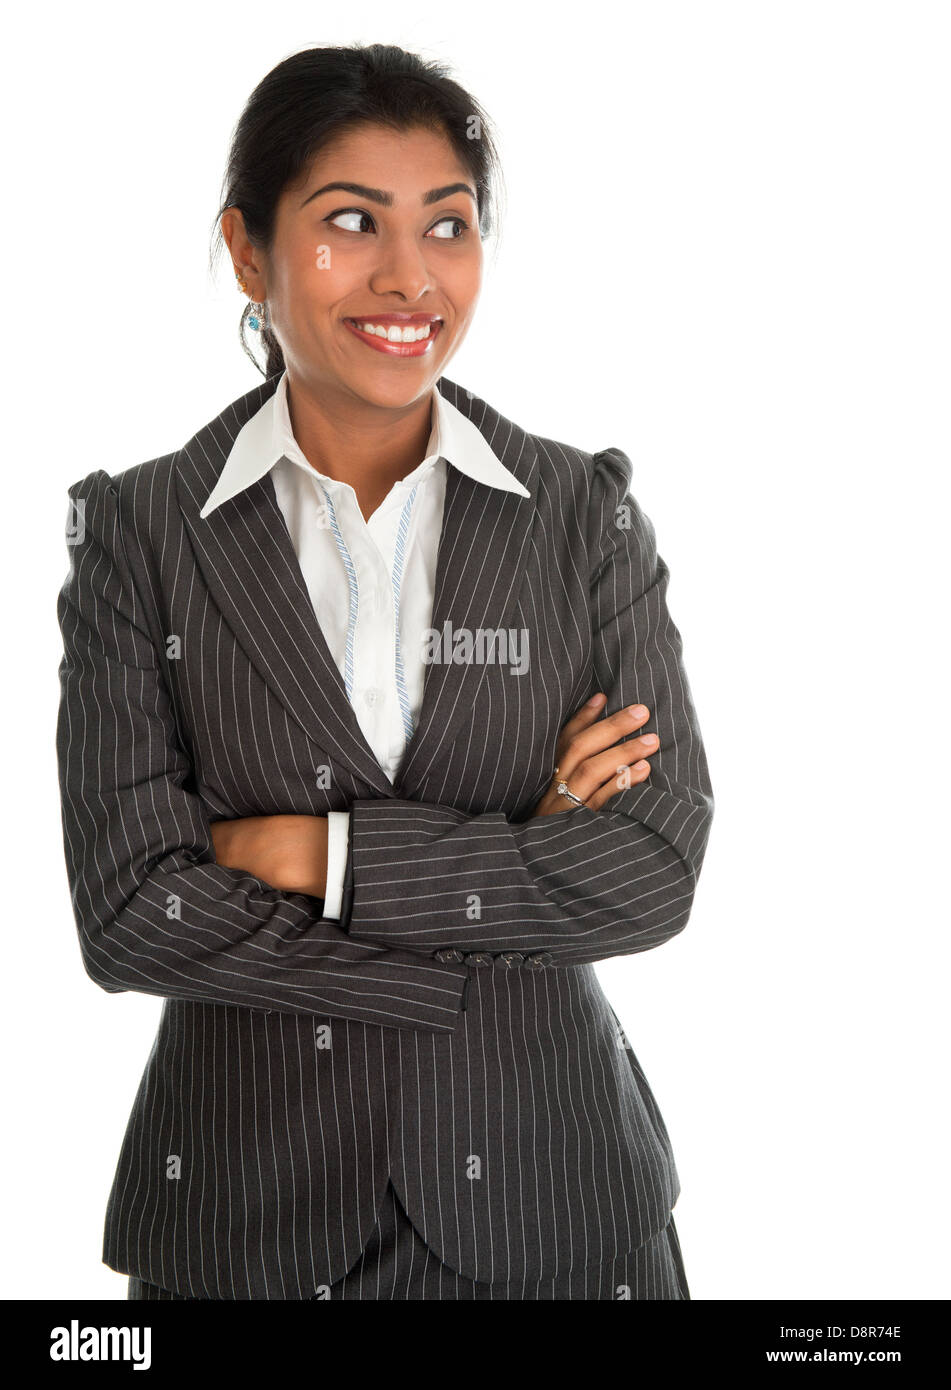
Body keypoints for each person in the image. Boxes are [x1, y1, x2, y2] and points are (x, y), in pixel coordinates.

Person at [56, 42, 715, 1301]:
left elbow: (652, 869)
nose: (410, 276)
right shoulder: (139, 535)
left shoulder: (583, 514)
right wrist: (521, 859)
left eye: (449, 225)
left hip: (557, 1210)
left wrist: (321, 855)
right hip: (247, 1227)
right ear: (248, 253)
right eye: (351, 222)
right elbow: (133, 908)